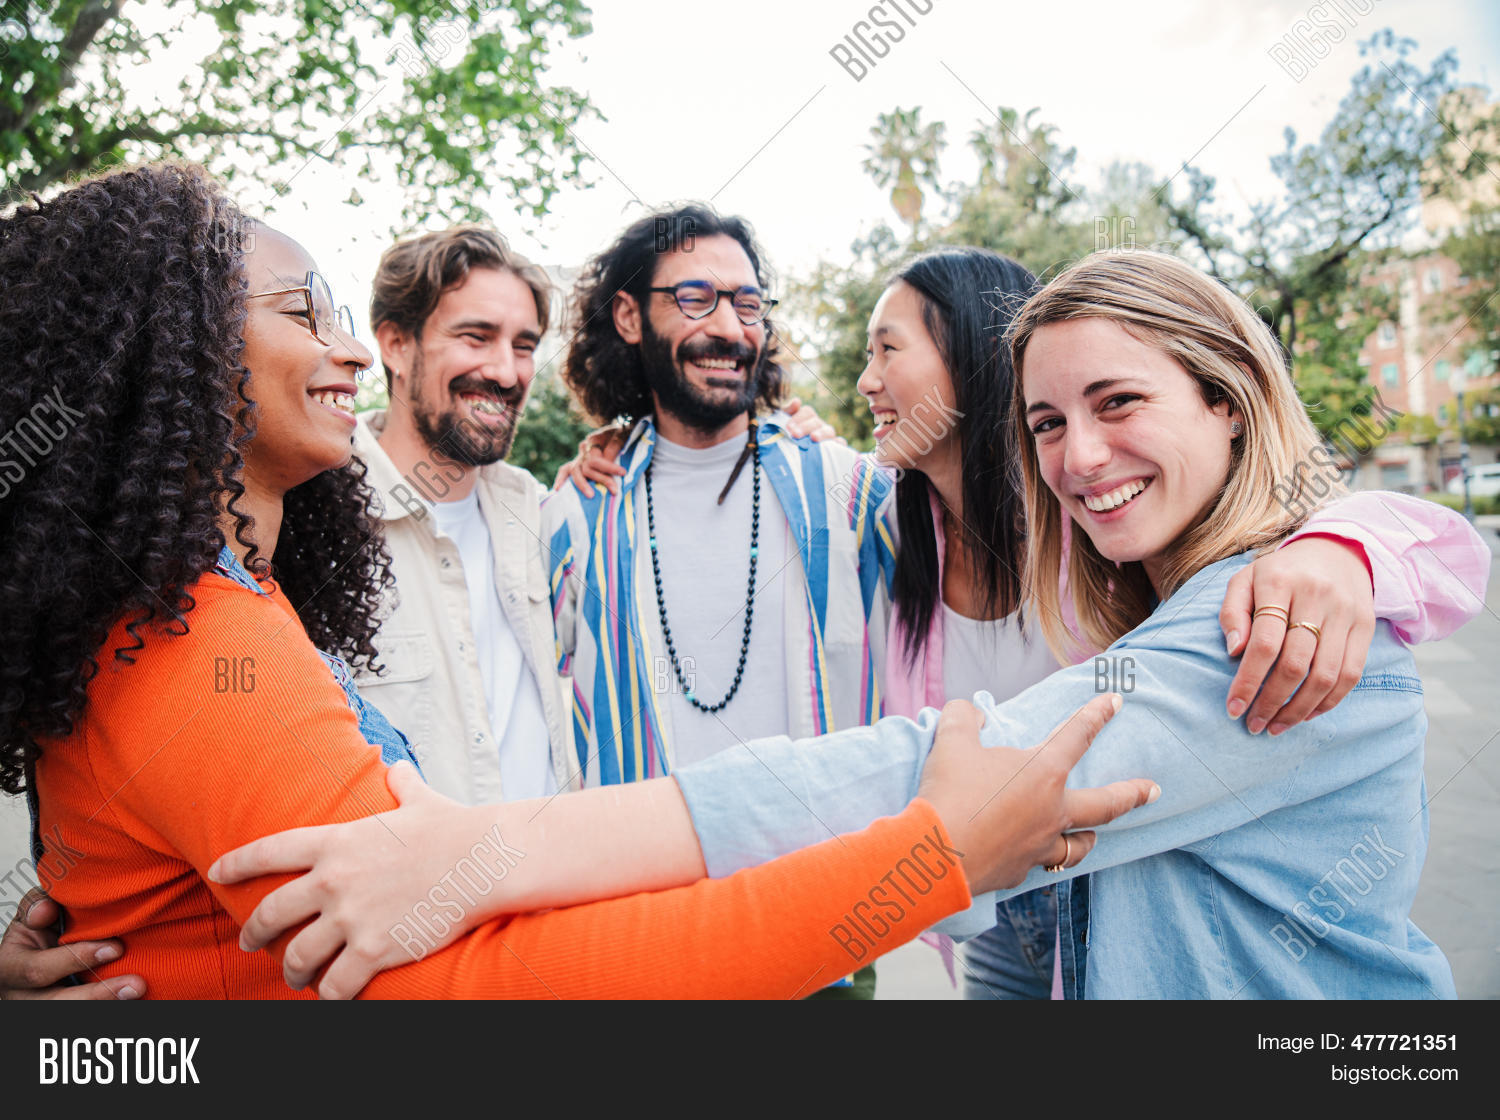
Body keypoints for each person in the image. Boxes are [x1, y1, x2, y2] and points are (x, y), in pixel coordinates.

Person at [0, 162, 1159, 1000]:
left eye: (749, 302)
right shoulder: (198, 631)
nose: (346, 349)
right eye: (309, 315)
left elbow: (1051, 492)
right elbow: (467, 981)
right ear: (174, 344)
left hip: (747, 910)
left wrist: (1337, 542)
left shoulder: (513, 520)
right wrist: (932, 852)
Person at [212, 249, 1487, 999]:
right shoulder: (898, 534)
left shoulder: (1266, 633)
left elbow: (897, 771)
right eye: (1048, 424)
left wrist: (1353, 539)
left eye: (1117, 404)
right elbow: (1038, 912)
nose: (1078, 455)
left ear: (1228, 403)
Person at [544, 203, 902, 996]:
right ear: (631, 315)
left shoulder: (838, 488)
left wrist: (1248, 547)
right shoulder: (576, 513)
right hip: (642, 942)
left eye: (748, 304)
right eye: (697, 298)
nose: (730, 327)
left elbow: (997, 528)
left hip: (823, 937)